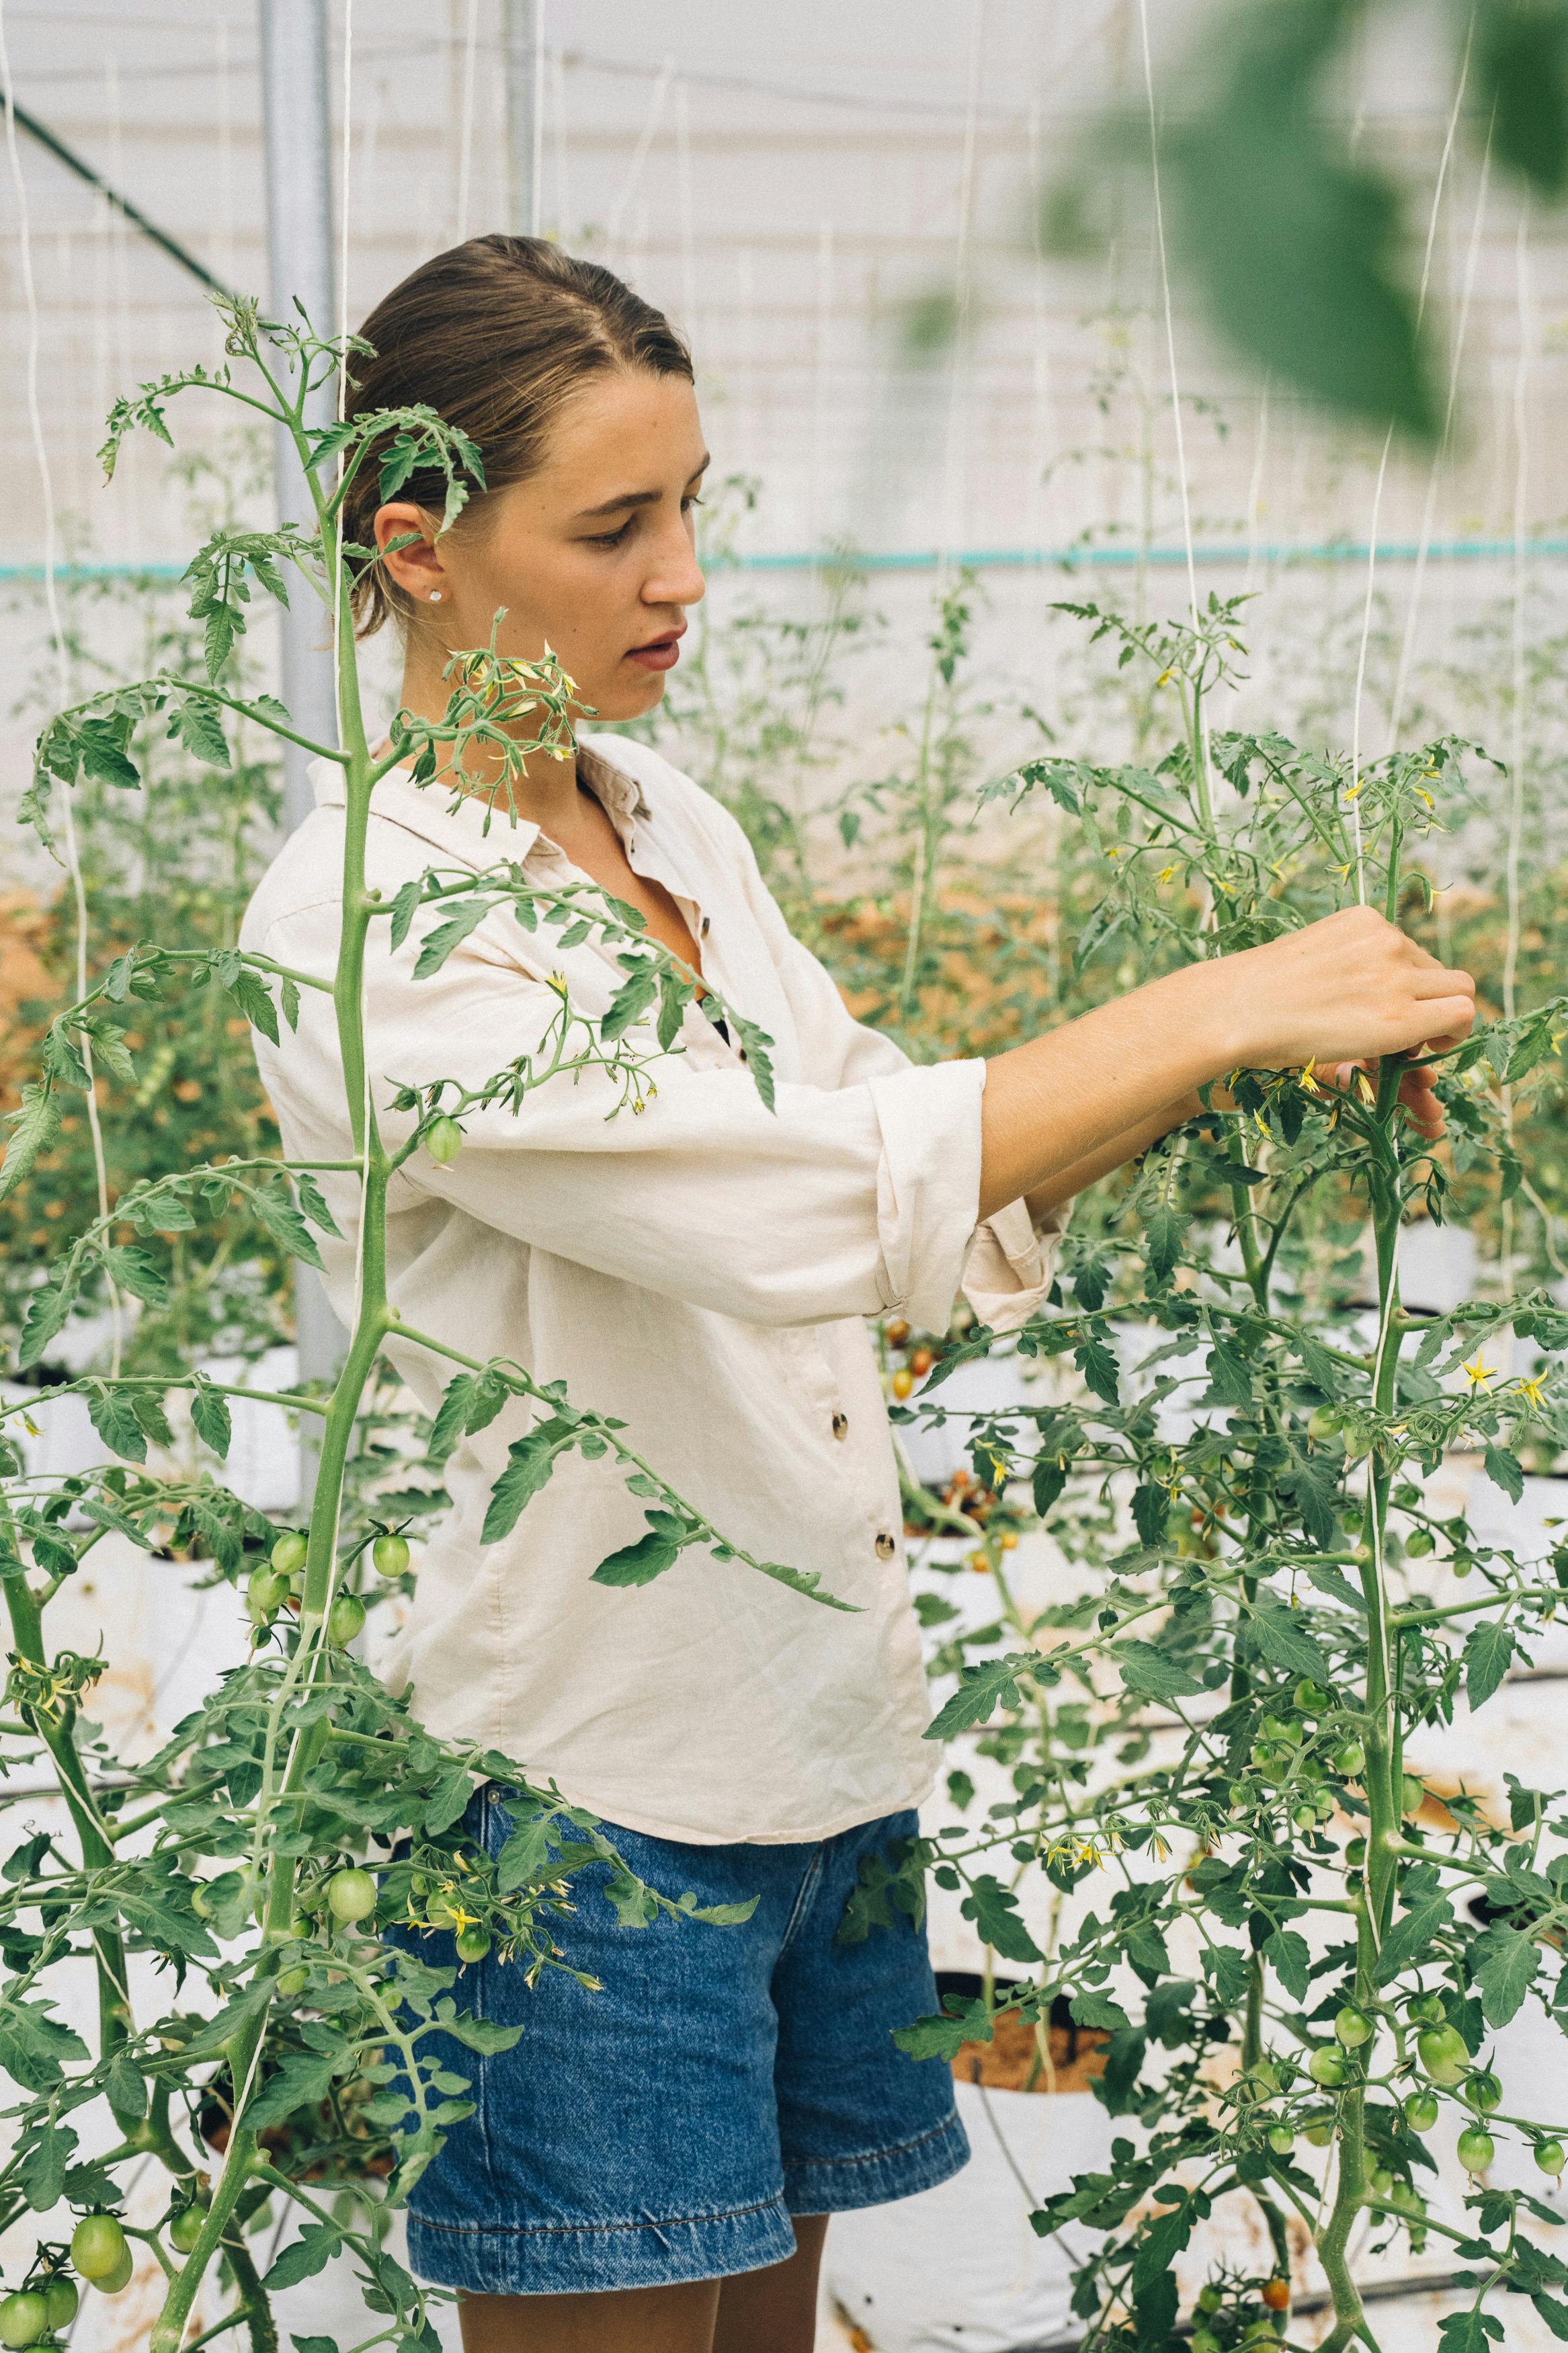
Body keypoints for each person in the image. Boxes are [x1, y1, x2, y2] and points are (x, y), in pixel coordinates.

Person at [239, 235, 1475, 2353]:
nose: (682, 577)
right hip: (583, 1804)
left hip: (820, 1746)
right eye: (615, 524)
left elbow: (899, 1151)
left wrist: (1223, 1064)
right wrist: (1207, 1006)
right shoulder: (368, 922)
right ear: (420, 549)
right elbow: (804, 1205)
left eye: (694, 504)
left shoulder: (669, 823)